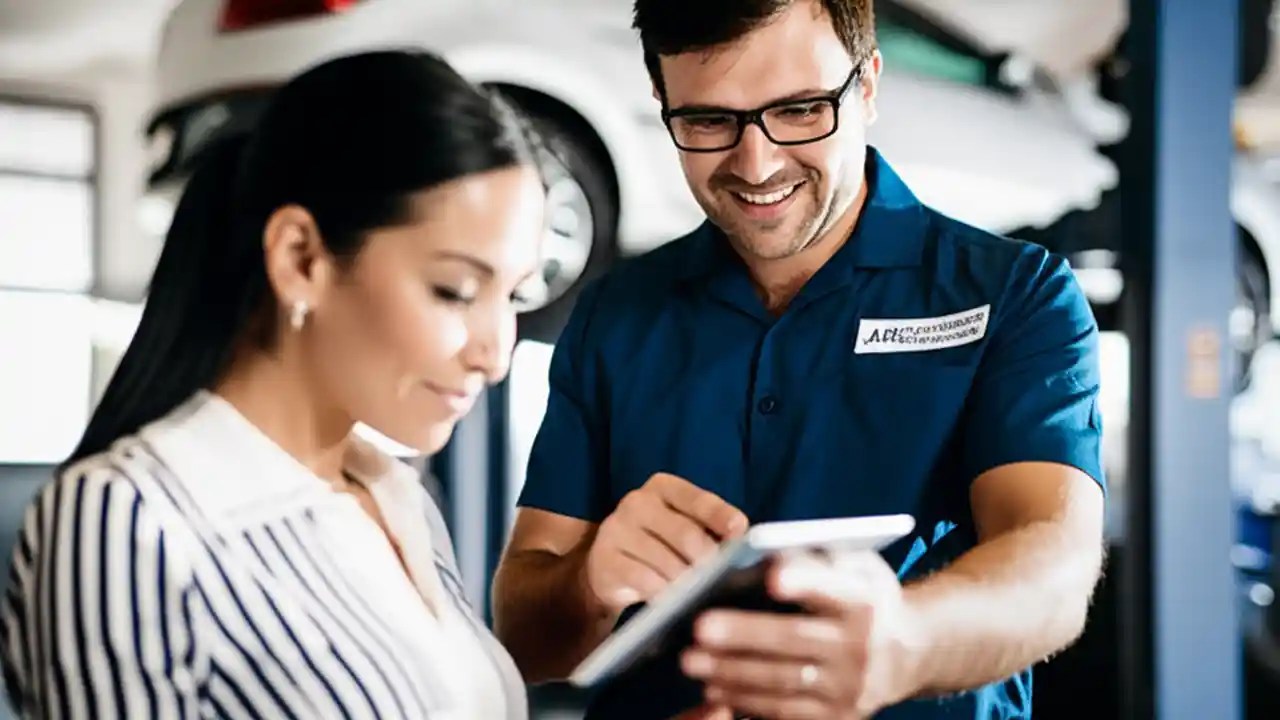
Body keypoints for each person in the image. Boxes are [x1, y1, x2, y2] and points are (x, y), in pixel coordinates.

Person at [0, 49, 726, 720]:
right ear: (301, 259)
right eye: (454, 290)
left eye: (512, 296)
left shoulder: (395, 493)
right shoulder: (127, 519)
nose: (495, 355)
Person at [491, 1, 1107, 719]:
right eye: (708, 121)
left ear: (867, 85)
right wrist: (590, 582)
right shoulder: (616, 316)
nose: (757, 164)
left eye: (800, 110)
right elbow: (526, 641)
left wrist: (907, 643)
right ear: (662, 102)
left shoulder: (1015, 294)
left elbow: (1054, 567)